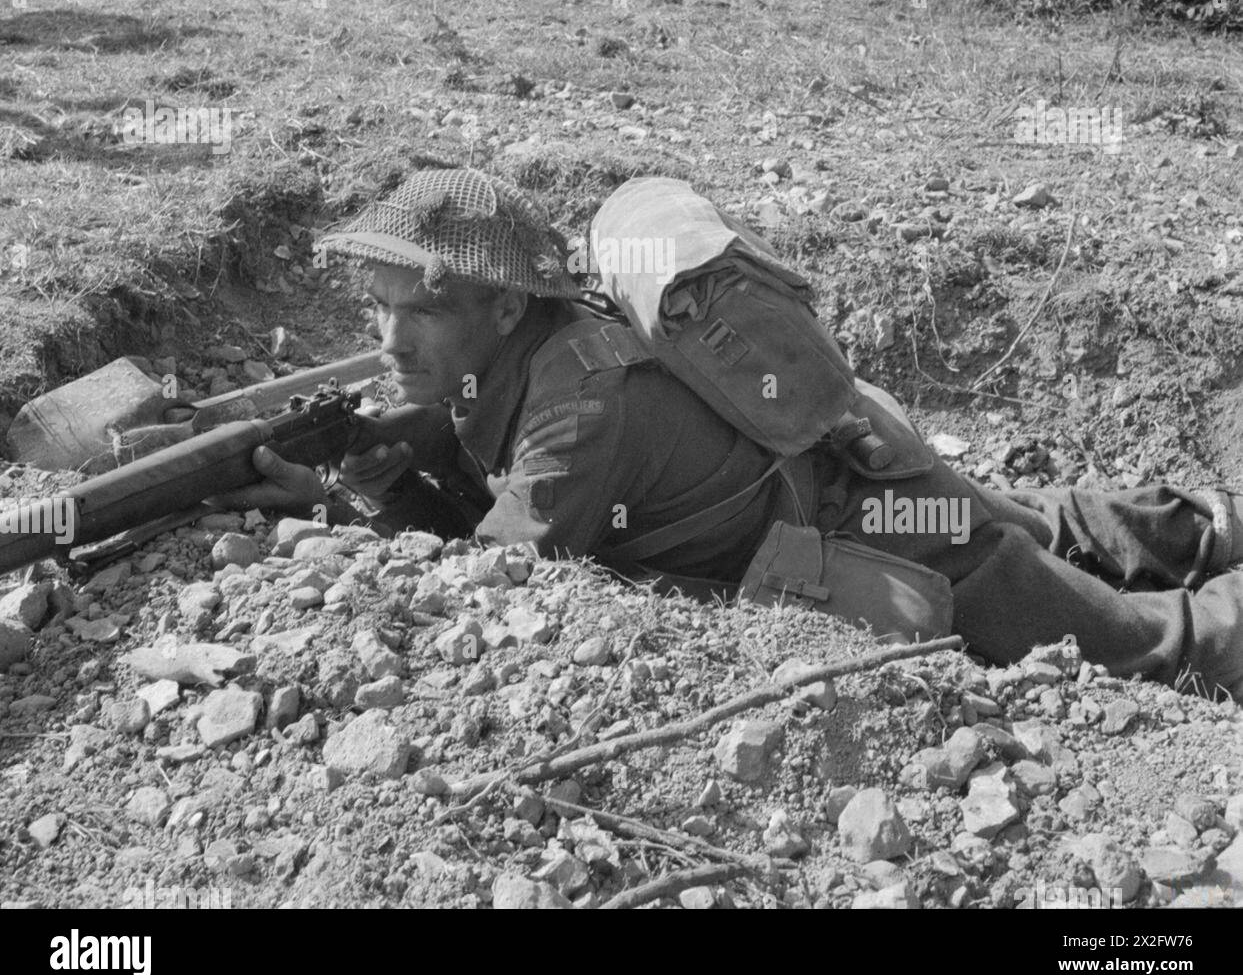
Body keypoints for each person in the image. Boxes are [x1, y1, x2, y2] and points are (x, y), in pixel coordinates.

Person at [215, 167, 1243, 700]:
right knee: (1047, 523)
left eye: (420, 311)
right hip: (854, 449)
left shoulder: (575, 408)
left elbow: (488, 589)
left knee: (1150, 648)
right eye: (377, 308)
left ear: (500, 307)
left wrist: (375, 504)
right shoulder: (525, 353)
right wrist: (396, 471)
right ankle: (1212, 524)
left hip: (883, 524)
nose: (388, 340)